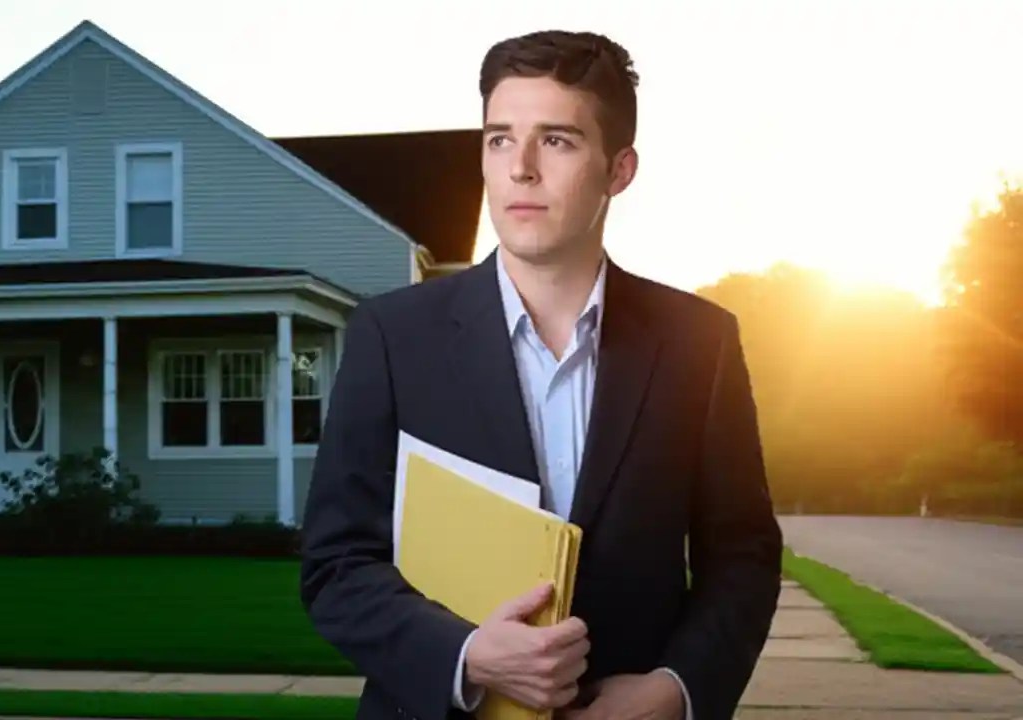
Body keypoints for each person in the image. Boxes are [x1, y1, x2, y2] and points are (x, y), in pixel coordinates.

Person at [299, 29, 783, 720]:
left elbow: (743, 556)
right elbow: (337, 564)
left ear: (619, 170)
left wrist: (674, 690)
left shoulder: (700, 343)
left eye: (556, 140)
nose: (520, 168)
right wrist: (466, 655)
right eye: (500, 139)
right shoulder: (392, 336)